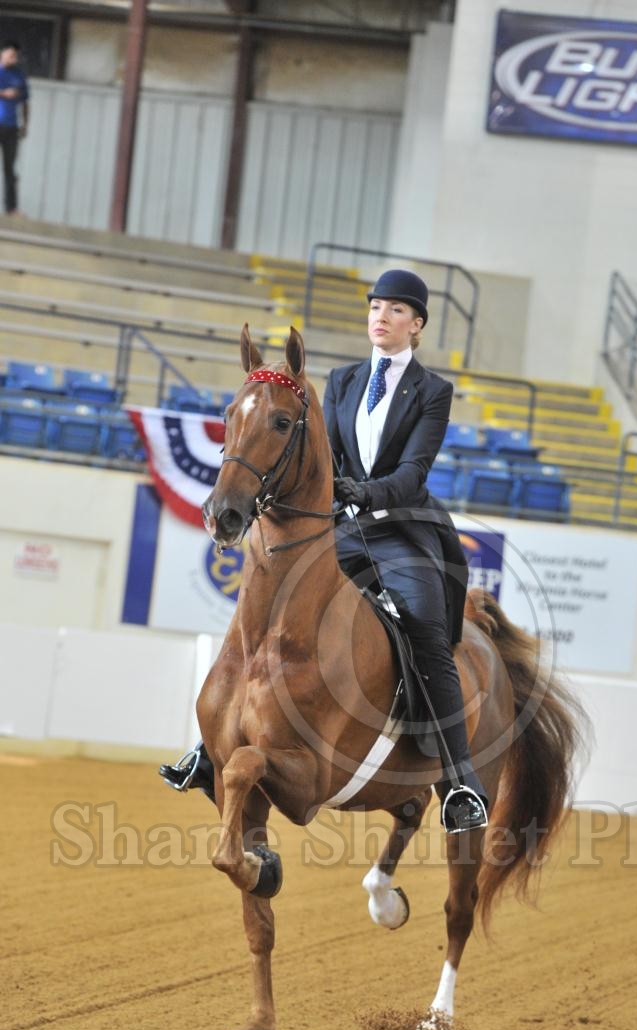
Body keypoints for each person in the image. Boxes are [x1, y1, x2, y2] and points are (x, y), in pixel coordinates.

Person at [161, 269, 489, 836]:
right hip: (336, 526)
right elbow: (319, 455)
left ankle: (460, 782)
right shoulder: (340, 381)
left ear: (416, 325)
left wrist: (365, 492)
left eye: (394, 310)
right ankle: (213, 740)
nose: (380, 316)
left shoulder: (433, 392)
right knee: (259, 617)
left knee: (423, 627)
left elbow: (413, 473)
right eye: (375, 307)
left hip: (402, 532)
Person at [0, 40, 29, 216]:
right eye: (10, 54)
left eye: (15, 56)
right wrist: (4, 93)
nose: (13, 58)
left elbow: (25, 101)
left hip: (11, 126)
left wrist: (26, 124)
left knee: (10, 169)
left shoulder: (19, 75)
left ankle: (11, 208)